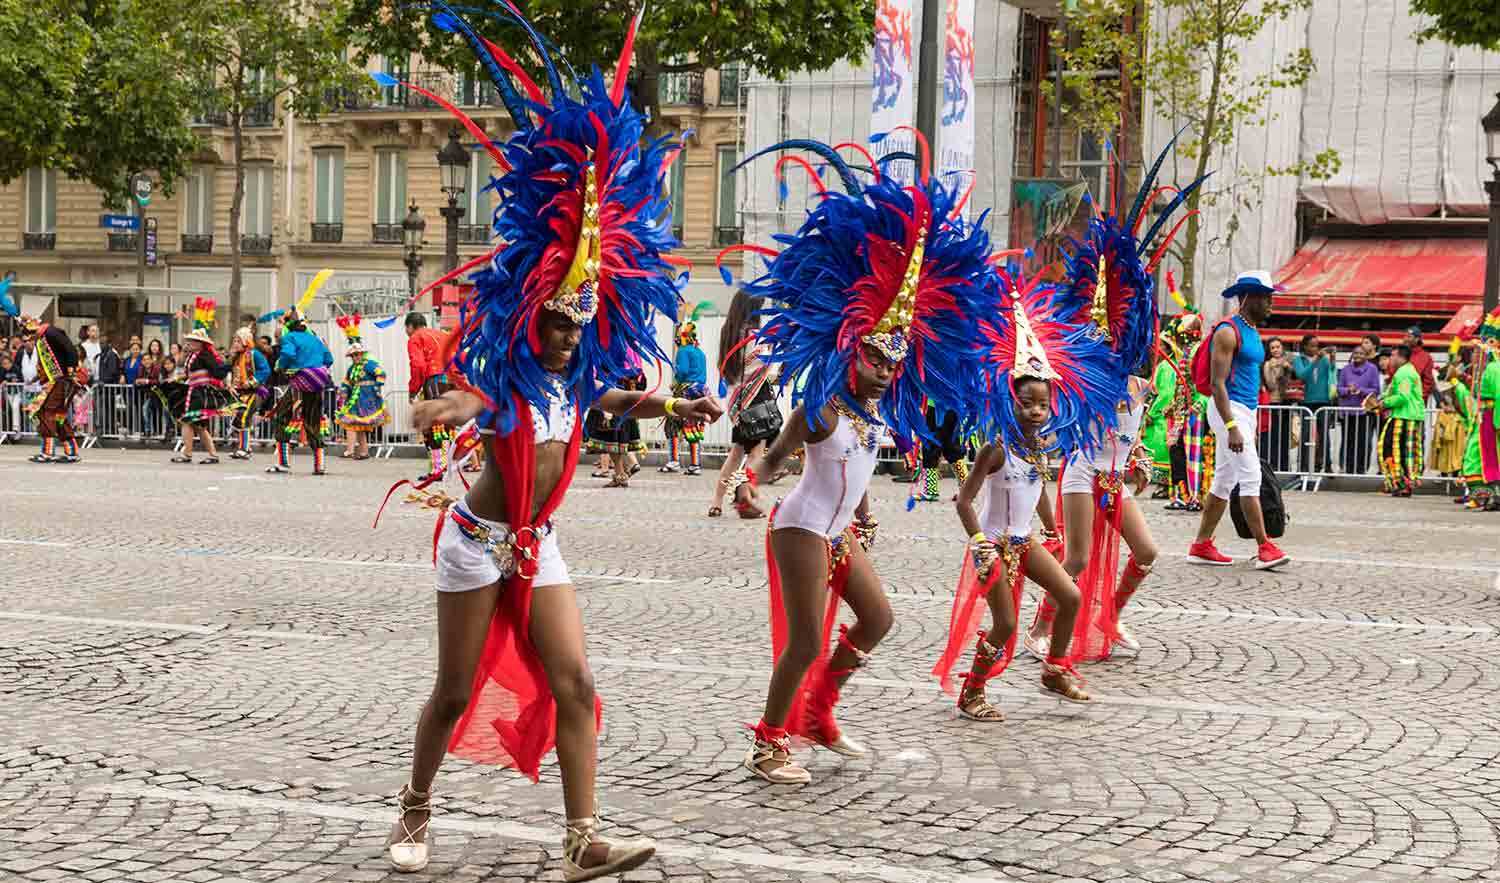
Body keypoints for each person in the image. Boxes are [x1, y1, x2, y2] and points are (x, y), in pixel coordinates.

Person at [374, 16, 713, 877]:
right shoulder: (512, 379)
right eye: (556, 323)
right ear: (535, 318)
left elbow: (611, 396)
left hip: (538, 545)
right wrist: (442, 404)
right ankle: (413, 810)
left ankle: (581, 840)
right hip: (477, 545)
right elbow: (473, 398)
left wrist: (675, 399)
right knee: (454, 692)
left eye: (576, 324)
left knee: (578, 685)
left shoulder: (574, 376)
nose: (565, 336)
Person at [728, 137, 990, 786]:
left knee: (878, 618)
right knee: (808, 641)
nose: (886, 368)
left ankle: (818, 710)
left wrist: (865, 515)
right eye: (876, 356)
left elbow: (858, 474)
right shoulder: (820, 407)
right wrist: (745, 483)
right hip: (799, 527)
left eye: (894, 360)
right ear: (853, 349)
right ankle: (769, 741)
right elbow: (776, 459)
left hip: (837, 529)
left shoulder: (875, 412)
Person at [935, 276, 1127, 720]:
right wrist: (979, 542)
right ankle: (973, 691)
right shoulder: (996, 447)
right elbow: (964, 502)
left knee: (1071, 596)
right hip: (994, 545)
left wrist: (1051, 527)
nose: (1035, 412)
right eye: (1027, 403)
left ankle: (1055, 669)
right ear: (1012, 402)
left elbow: (1037, 487)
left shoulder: (1042, 446)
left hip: (1026, 543)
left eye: (1042, 405)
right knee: (1004, 623)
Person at [1186, 270, 1290, 570]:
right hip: (1227, 410)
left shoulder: (1252, 330)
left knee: (1224, 480)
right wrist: (1231, 426)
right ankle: (1265, 547)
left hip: (1246, 411)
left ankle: (1201, 545)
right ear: (1248, 297)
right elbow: (1218, 384)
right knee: (1251, 476)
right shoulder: (1227, 331)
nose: (1272, 303)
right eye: (1267, 298)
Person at [710, 291, 782, 518]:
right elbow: (767, 365)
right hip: (756, 399)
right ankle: (745, 497)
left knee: (735, 455)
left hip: (737, 401)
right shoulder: (754, 336)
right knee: (755, 454)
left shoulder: (728, 332)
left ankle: (717, 502)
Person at [265, 277, 335, 475]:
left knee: (281, 416)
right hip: (317, 383)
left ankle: (283, 462)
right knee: (312, 421)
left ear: (289, 325)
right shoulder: (315, 339)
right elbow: (329, 359)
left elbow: (287, 355)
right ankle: (319, 465)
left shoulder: (290, 338)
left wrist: (282, 366)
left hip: (300, 383)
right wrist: (316, 367)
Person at [162, 299, 233, 465]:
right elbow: (190, 374)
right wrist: (176, 379)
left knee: (189, 422)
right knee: (199, 425)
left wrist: (230, 364)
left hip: (200, 393)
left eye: (193, 341)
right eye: (189, 340)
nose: (189, 343)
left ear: (200, 344)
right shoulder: (193, 356)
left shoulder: (204, 356)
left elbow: (217, 372)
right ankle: (210, 454)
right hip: (194, 392)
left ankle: (188, 454)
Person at [1460, 310, 1500, 511]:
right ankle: (1485, 496)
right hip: (1486, 417)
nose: (1477, 354)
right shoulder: (1490, 369)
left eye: (1479, 350)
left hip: (1492, 418)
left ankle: (1488, 497)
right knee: (1479, 457)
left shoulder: (1494, 369)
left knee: (1482, 457)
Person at [333, 314, 388, 459]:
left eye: (358, 354)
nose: (356, 357)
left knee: (355, 424)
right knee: (356, 425)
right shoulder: (351, 369)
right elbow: (347, 382)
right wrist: (343, 390)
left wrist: (376, 386)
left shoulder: (369, 364)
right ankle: (362, 452)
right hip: (355, 399)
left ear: (362, 354)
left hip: (367, 397)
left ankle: (352, 450)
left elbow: (381, 373)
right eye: (354, 355)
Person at [660, 317, 709, 475]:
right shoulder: (700, 353)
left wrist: (676, 381)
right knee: (693, 425)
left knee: (673, 424)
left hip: (685, 391)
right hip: (700, 392)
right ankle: (695, 464)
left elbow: (683, 371)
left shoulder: (683, 351)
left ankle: (674, 461)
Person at [406, 312, 451, 481]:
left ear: (410, 326)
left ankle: (437, 469)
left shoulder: (415, 338)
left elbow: (417, 365)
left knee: (432, 425)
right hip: (450, 381)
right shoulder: (441, 335)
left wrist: (413, 389)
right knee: (445, 425)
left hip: (433, 381)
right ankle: (444, 467)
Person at [1377, 344, 1427, 497]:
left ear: (1400, 357)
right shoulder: (1406, 371)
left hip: (1405, 416)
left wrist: (1384, 403)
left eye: (1392, 355)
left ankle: (1402, 482)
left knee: (1396, 449)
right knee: (1403, 450)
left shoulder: (1404, 373)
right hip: (1407, 415)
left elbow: (1403, 397)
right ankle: (1401, 482)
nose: (1390, 359)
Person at [227, 326, 272, 459]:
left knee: (244, 416)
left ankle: (244, 448)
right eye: (234, 341)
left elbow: (265, 370)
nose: (235, 344)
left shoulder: (254, 354)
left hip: (255, 391)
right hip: (241, 392)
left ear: (246, 341)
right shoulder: (236, 356)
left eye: (238, 341)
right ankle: (244, 447)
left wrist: (252, 381)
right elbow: (229, 371)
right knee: (240, 418)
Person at [1337, 341, 1381, 474]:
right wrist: (1347, 390)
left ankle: (1361, 468)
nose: (1357, 355)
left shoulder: (1372, 369)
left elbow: (1376, 389)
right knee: (1348, 440)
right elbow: (1339, 388)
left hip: (1364, 412)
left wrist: (1361, 390)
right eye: (1355, 353)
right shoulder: (1345, 369)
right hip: (1347, 411)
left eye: (1361, 353)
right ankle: (1349, 468)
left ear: (1366, 356)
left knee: (1363, 441)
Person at [1293, 335, 1336, 472]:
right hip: (1306, 401)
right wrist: (1315, 361)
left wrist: (1332, 357)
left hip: (1323, 400)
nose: (1315, 348)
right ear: (1304, 346)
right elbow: (1302, 375)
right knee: (1305, 435)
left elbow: (1332, 370)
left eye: (1316, 346)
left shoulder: (1324, 359)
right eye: (1311, 345)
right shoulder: (1299, 360)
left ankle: (1327, 465)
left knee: (1324, 435)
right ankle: (1303, 467)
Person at [1259, 337, 1294, 471]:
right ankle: (1273, 465)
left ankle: (1284, 466)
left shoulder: (1289, 361)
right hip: (1274, 402)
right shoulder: (1267, 364)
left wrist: (1287, 368)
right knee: (1274, 435)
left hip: (1287, 401)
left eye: (1278, 347)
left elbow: (1296, 378)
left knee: (1286, 435)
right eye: (1272, 347)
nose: (1275, 350)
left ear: (1282, 347)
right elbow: (1271, 385)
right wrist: (1275, 369)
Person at [1431, 390, 1467, 477]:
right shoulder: (1446, 392)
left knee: (1455, 452)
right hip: (1448, 425)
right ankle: (1446, 475)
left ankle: (1454, 475)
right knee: (1446, 453)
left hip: (1457, 425)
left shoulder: (1458, 391)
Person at [1402, 326, 1437, 404]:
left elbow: (1428, 381)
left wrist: (1420, 398)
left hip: (1416, 402)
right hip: (1400, 400)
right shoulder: (1400, 354)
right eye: (1405, 336)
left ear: (1417, 339)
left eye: (1409, 337)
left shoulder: (1426, 357)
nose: (1405, 339)